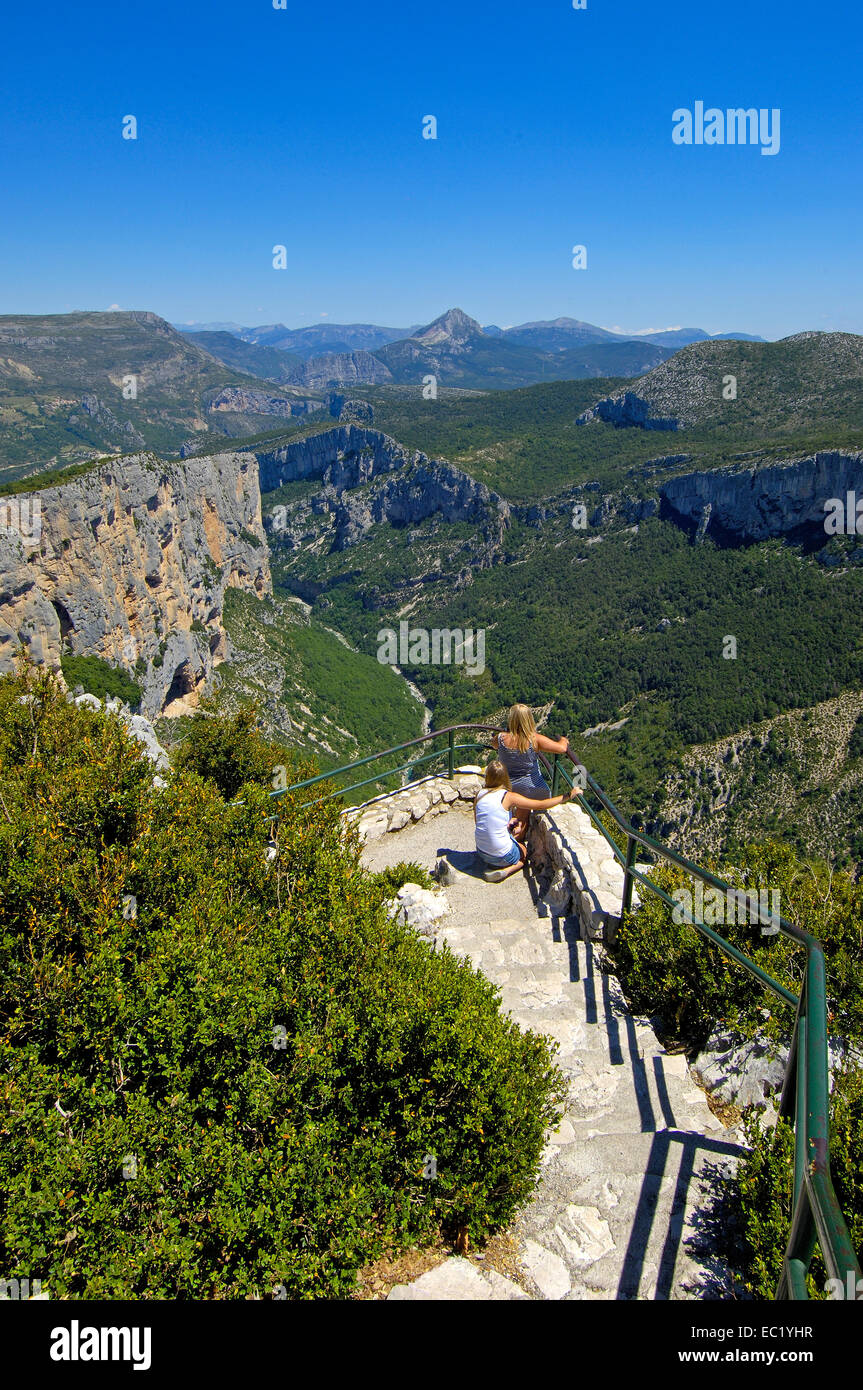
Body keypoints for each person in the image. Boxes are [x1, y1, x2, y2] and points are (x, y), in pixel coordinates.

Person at [474, 760, 582, 882]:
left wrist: (507, 827)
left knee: (509, 840)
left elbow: (480, 822)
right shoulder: (509, 797)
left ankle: (499, 863)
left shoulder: (480, 795)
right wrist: (568, 795)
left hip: (481, 851)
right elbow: (540, 804)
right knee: (523, 852)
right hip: (500, 855)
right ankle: (504, 872)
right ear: (505, 778)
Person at [497, 704, 572, 841]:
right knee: (523, 815)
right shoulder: (534, 740)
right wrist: (563, 739)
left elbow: (494, 745)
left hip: (506, 786)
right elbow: (561, 749)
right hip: (532, 789)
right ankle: (518, 844)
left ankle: (508, 838)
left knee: (516, 809)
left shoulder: (501, 738)